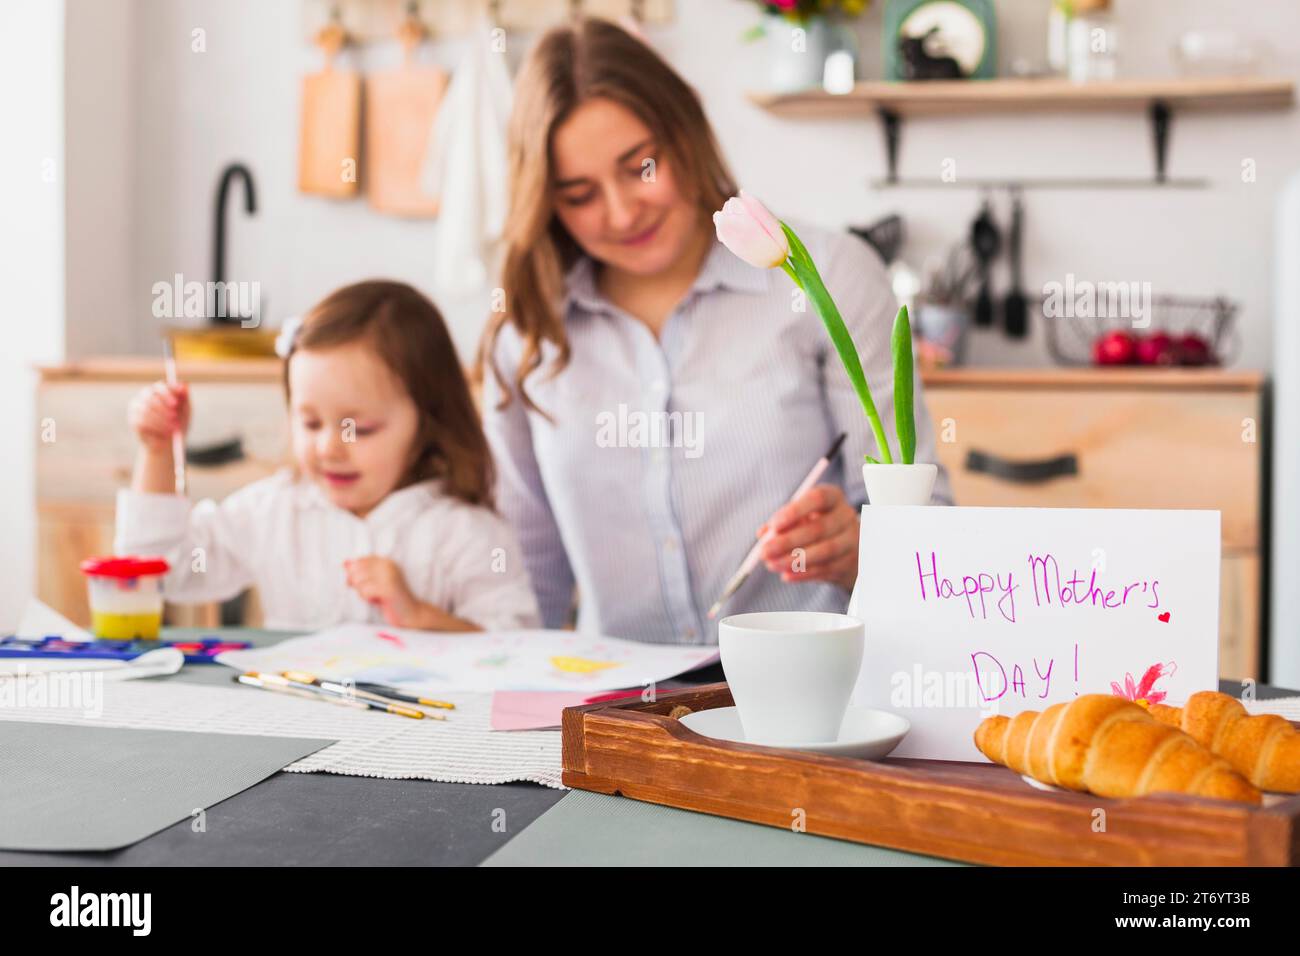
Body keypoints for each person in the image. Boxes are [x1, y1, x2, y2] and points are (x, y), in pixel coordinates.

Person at [478, 18, 952, 645]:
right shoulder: (529, 327)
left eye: (641, 166)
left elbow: (929, 531)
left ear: (688, 130)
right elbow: (525, 570)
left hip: (813, 701)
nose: (621, 213)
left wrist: (859, 548)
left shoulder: (826, 275)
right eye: (578, 193)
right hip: (616, 714)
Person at [118, 280, 540, 632]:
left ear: (428, 420)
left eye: (360, 428)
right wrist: (157, 451)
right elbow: (160, 573)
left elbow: (515, 647)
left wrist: (418, 615)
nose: (328, 448)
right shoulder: (275, 510)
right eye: (311, 423)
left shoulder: (466, 533)